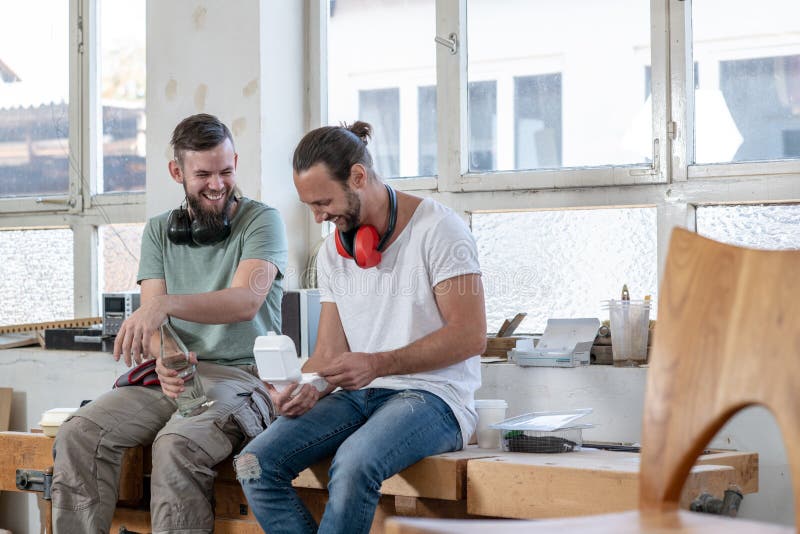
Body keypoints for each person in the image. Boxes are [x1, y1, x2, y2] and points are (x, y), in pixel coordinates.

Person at [236, 121, 486, 534]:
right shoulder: (335, 252)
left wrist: (377, 363)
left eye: (323, 202)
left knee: (352, 464)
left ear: (358, 176)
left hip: (434, 398)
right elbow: (330, 353)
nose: (319, 217)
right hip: (359, 395)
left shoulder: (441, 231)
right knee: (255, 463)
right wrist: (306, 387)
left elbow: (470, 335)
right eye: (310, 207)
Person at [51, 113, 288, 533]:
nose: (217, 184)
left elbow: (246, 302)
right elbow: (152, 320)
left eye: (226, 171)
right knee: (79, 434)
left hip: (241, 376)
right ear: (176, 172)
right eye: (203, 174)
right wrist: (167, 358)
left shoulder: (263, 221)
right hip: (177, 374)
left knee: (177, 445)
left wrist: (166, 306)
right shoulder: (159, 230)